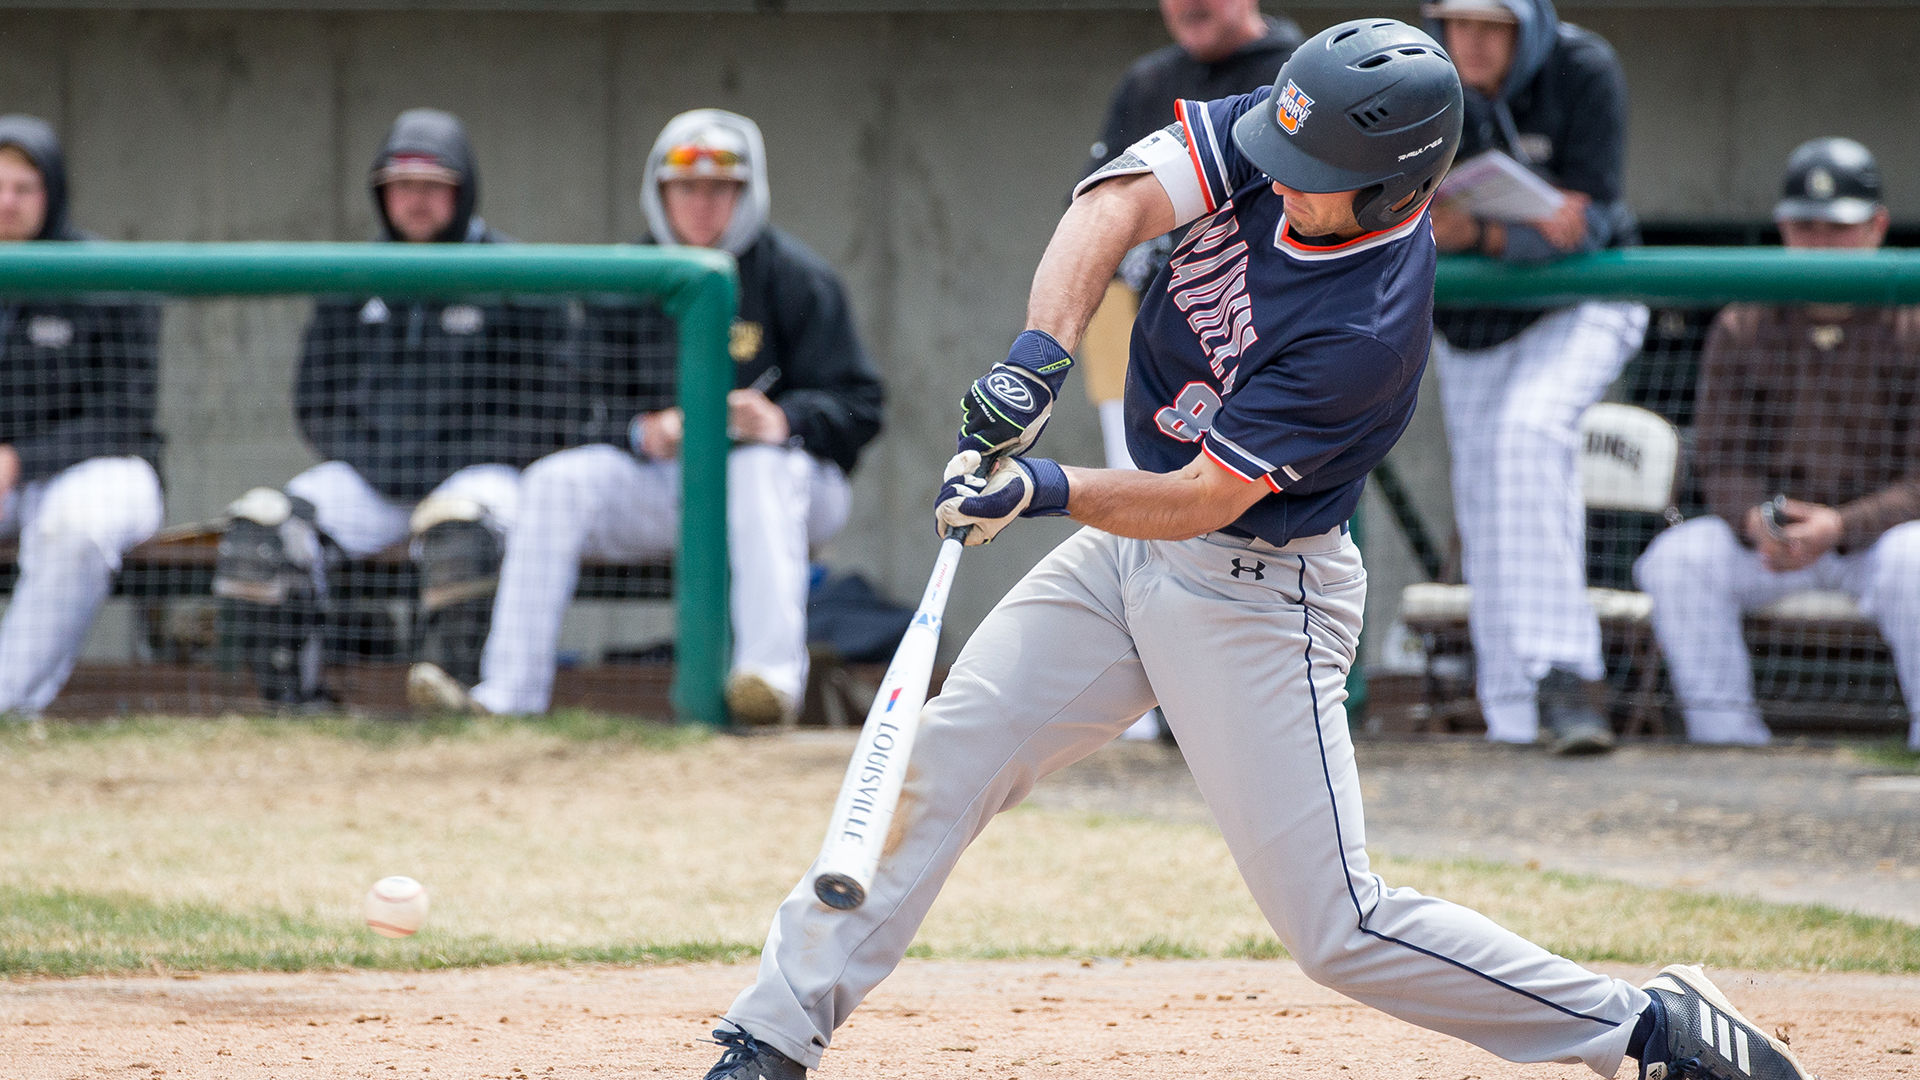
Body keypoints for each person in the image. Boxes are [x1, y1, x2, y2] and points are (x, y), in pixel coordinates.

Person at [699, 22, 1811, 1080]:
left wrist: (1044, 486)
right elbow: (1114, 204)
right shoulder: (1298, 126)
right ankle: (772, 1034)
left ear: (1393, 184)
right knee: (944, 761)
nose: (1277, 173)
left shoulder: (1366, 327)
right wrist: (1038, 359)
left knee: (1340, 928)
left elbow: (1200, 498)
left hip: (1255, 592)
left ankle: (1647, 1026)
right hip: (1126, 557)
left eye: (1310, 166)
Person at [406, 109, 884, 725]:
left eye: (721, 189)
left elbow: (862, 406)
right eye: (685, 188)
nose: (703, 205)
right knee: (554, 482)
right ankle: (505, 696)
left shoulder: (798, 277)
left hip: (791, 487)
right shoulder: (625, 276)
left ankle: (768, 683)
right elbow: (570, 405)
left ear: (749, 193)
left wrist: (783, 420)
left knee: (758, 471)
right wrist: (643, 429)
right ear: (659, 193)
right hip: (666, 483)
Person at [214, 108, 559, 705]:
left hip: (482, 474)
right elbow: (315, 401)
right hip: (377, 477)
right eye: (402, 187)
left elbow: (554, 406)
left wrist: (454, 461)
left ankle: (458, 695)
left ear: (463, 190)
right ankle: (295, 701)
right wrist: (378, 459)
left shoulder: (516, 272)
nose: (416, 201)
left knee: (460, 531)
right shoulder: (354, 273)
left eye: (433, 187)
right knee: (266, 529)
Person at [1635, 137, 1920, 750]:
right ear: (1784, 228)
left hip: (1878, 545)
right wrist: (1758, 521)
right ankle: (1729, 743)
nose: (1821, 243)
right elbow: (1723, 458)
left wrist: (1841, 525)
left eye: (1839, 228)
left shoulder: (1913, 318)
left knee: (1917, 560)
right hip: (1776, 544)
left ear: (1877, 227)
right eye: (1807, 226)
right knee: (1678, 559)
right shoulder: (1746, 321)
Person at [1421, 0, 1648, 754]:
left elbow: (1592, 221)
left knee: (1529, 431)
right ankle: (1512, 713)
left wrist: (1481, 233)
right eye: (1459, 22)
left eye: (1493, 25)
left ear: (1528, 25)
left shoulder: (1582, 67)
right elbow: (1403, 220)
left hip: (1582, 306)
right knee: (1485, 499)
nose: (1472, 42)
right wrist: (1509, 234)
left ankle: (1568, 677)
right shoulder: (1420, 73)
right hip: (1475, 329)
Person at [1081, 0, 1303, 741]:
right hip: (1145, 325)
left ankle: (1213, 705)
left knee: (1221, 519)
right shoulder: (1149, 80)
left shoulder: (1295, 70)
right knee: (1138, 510)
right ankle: (1151, 712)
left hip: (1243, 328)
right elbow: (1096, 199)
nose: (1190, 6)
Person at [0, 115, 164, 717]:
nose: (6, 202)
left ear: (53, 193)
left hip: (105, 468)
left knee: (75, 527)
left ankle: (7, 705)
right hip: (8, 478)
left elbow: (125, 415)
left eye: (23, 188)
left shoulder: (104, 273)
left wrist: (21, 459)